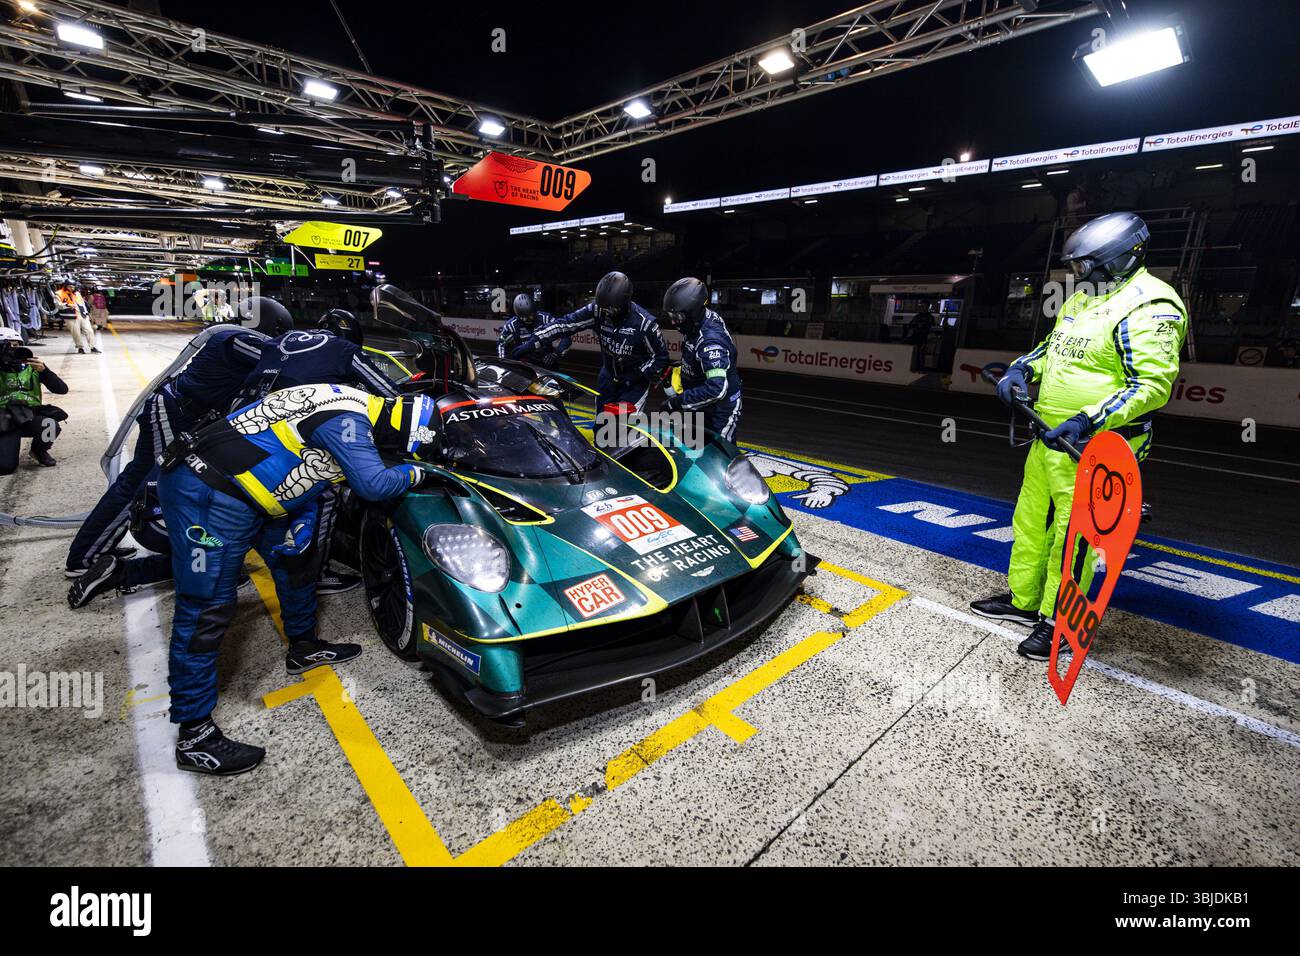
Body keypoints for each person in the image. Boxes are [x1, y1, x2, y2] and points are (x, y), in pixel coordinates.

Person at [157, 385, 437, 775]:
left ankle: (303, 646)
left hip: (255, 494)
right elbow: (372, 484)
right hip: (208, 493)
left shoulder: (355, 407)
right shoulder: (349, 420)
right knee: (206, 609)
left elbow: (305, 460)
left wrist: (303, 519)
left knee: (298, 564)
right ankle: (195, 736)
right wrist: (419, 471)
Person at [970, 211, 1187, 660]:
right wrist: (1020, 369)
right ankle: (1025, 603)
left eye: (1084, 265)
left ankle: (1062, 623)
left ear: (1118, 257)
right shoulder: (1085, 299)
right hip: (1048, 436)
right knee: (1031, 523)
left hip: (1094, 446)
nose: (1077, 274)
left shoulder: (1151, 305)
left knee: (1076, 539)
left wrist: (1089, 419)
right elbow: (1053, 348)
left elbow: (1151, 386)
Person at [65, 304, 279, 594]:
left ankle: (86, 552)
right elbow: (281, 361)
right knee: (144, 487)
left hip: (175, 412)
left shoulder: (228, 337)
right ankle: (85, 558)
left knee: (134, 482)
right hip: (175, 414)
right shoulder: (237, 339)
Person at [536, 271, 669, 412]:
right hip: (607, 377)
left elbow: (660, 357)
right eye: (603, 307)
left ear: (623, 303)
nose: (605, 312)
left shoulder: (645, 324)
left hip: (634, 383)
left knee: (622, 426)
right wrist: (536, 339)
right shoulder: (597, 310)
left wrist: (634, 376)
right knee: (601, 426)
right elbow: (567, 323)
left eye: (610, 308)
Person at [660, 277, 743, 441]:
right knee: (693, 449)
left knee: (718, 457)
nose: (672, 321)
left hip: (720, 410)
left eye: (677, 317)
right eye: (671, 315)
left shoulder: (710, 343)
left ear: (692, 312)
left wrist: (675, 403)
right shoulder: (700, 319)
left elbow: (717, 389)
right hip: (700, 404)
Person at [0, 327, 67, 472]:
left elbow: (62, 389)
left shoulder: (33, 367)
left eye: (16, 346)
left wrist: (45, 371)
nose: (13, 350)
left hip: (28, 416)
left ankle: (39, 451)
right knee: (5, 467)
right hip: (4, 420)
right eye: (8, 346)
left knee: (50, 424)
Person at [497, 293, 569, 369]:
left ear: (534, 309)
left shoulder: (546, 319)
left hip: (547, 365)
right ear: (518, 314)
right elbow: (501, 344)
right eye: (524, 317)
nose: (528, 319)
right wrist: (504, 362)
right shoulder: (511, 326)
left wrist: (556, 354)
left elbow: (566, 336)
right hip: (526, 367)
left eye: (531, 315)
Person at [59, 282, 98, 354]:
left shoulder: (77, 293)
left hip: (82, 314)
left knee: (89, 330)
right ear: (65, 286)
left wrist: (86, 313)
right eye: (69, 286)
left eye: (73, 287)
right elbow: (58, 305)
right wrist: (67, 305)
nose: (71, 288)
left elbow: (82, 303)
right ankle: (80, 348)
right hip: (70, 316)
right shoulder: (59, 293)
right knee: (76, 333)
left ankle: (92, 347)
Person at [907, 301, 935, 371]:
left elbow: (930, 327)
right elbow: (910, 325)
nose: (922, 308)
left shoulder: (930, 317)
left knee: (920, 351)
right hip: (914, 336)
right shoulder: (917, 316)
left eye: (924, 306)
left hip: (923, 337)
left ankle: (919, 366)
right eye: (921, 306)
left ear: (927, 307)